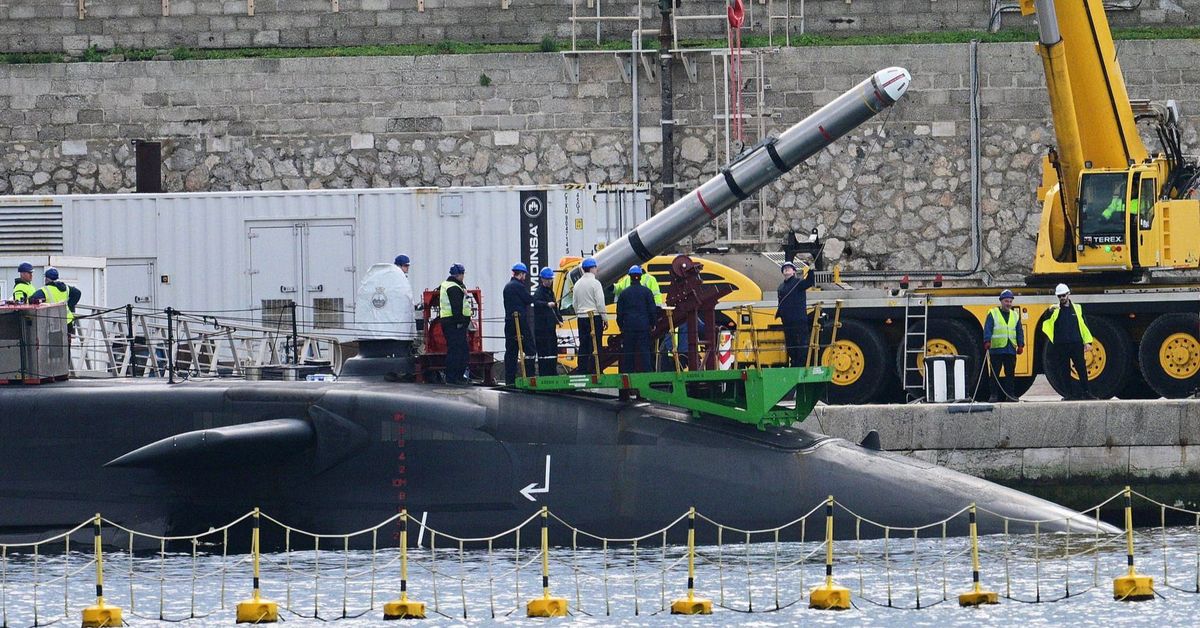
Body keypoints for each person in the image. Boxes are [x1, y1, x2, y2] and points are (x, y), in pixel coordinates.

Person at [1041, 283, 1094, 400]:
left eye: (1063, 295)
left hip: (1076, 343)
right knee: (1064, 370)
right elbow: (1046, 320)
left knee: (1081, 369)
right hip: (1061, 344)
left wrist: (1087, 342)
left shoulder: (1077, 308)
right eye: (1059, 296)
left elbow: (1083, 326)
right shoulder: (1055, 310)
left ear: (1068, 294)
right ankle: (1069, 395)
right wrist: (1049, 311)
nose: (1062, 298)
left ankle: (1087, 392)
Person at [983, 289, 1025, 402]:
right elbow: (988, 328)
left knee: (1010, 374)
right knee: (994, 374)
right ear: (1001, 301)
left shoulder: (1015, 315)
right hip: (997, 349)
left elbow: (1019, 331)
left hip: (1010, 349)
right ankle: (994, 395)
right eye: (1006, 301)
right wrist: (987, 340)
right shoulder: (993, 313)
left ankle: (1010, 395)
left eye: (1010, 301)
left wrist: (1021, 344)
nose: (1009, 304)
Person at [615, 265, 658, 373]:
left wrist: (621, 326)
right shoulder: (647, 292)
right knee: (645, 351)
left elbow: (619, 313)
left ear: (630, 277)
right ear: (640, 276)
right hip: (643, 326)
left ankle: (628, 373)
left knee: (628, 352)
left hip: (628, 327)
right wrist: (653, 323)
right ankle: (647, 373)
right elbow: (652, 310)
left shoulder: (624, 294)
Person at [775, 260, 815, 367]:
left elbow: (809, 282)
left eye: (789, 267)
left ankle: (801, 364)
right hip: (787, 321)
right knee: (790, 344)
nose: (786, 269)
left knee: (801, 343)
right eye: (784, 268)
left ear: (793, 271)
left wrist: (811, 270)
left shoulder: (799, 282)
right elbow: (780, 303)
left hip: (799, 320)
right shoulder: (781, 287)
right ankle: (794, 363)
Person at [502, 262, 536, 384]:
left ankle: (510, 380)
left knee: (511, 351)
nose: (525, 277)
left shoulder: (507, 287)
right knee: (530, 349)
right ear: (521, 274)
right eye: (524, 274)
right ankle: (530, 376)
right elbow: (528, 299)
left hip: (509, 322)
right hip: (520, 322)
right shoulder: (519, 286)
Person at [438, 264, 472, 385]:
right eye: (463, 274)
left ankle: (455, 376)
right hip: (455, 324)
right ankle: (454, 377)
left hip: (449, 323)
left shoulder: (446, 285)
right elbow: (457, 307)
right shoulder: (454, 288)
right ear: (459, 275)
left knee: (456, 350)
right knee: (458, 351)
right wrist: (460, 322)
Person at [572, 257, 607, 374]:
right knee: (596, 345)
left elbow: (574, 303)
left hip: (581, 318)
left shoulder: (577, 284)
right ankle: (596, 369)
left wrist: (579, 313)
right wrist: (604, 318)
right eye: (595, 267)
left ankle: (582, 369)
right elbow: (600, 303)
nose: (597, 269)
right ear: (592, 268)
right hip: (594, 317)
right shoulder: (596, 283)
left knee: (583, 344)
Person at [29, 267, 81, 334]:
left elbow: (32, 299)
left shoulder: (45, 290)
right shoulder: (66, 287)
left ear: (47, 279)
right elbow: (78, 293)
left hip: (53, 321)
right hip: (67, 320)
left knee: (55, 340)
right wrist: (69, 305)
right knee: (66, 339)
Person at [532, 267, 562, 376]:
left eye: (550, 279)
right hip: (542, 328)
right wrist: (546, 304)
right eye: (547, 279)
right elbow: (536, 303)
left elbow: (555, 307)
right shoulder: (539, 292)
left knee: (552, 350)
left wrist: (559, 319)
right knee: (544, 351)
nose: (549, 281)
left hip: (550, 327)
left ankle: (552, 371)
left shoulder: (550, 292)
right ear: (542, 279)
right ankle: (544, 373)